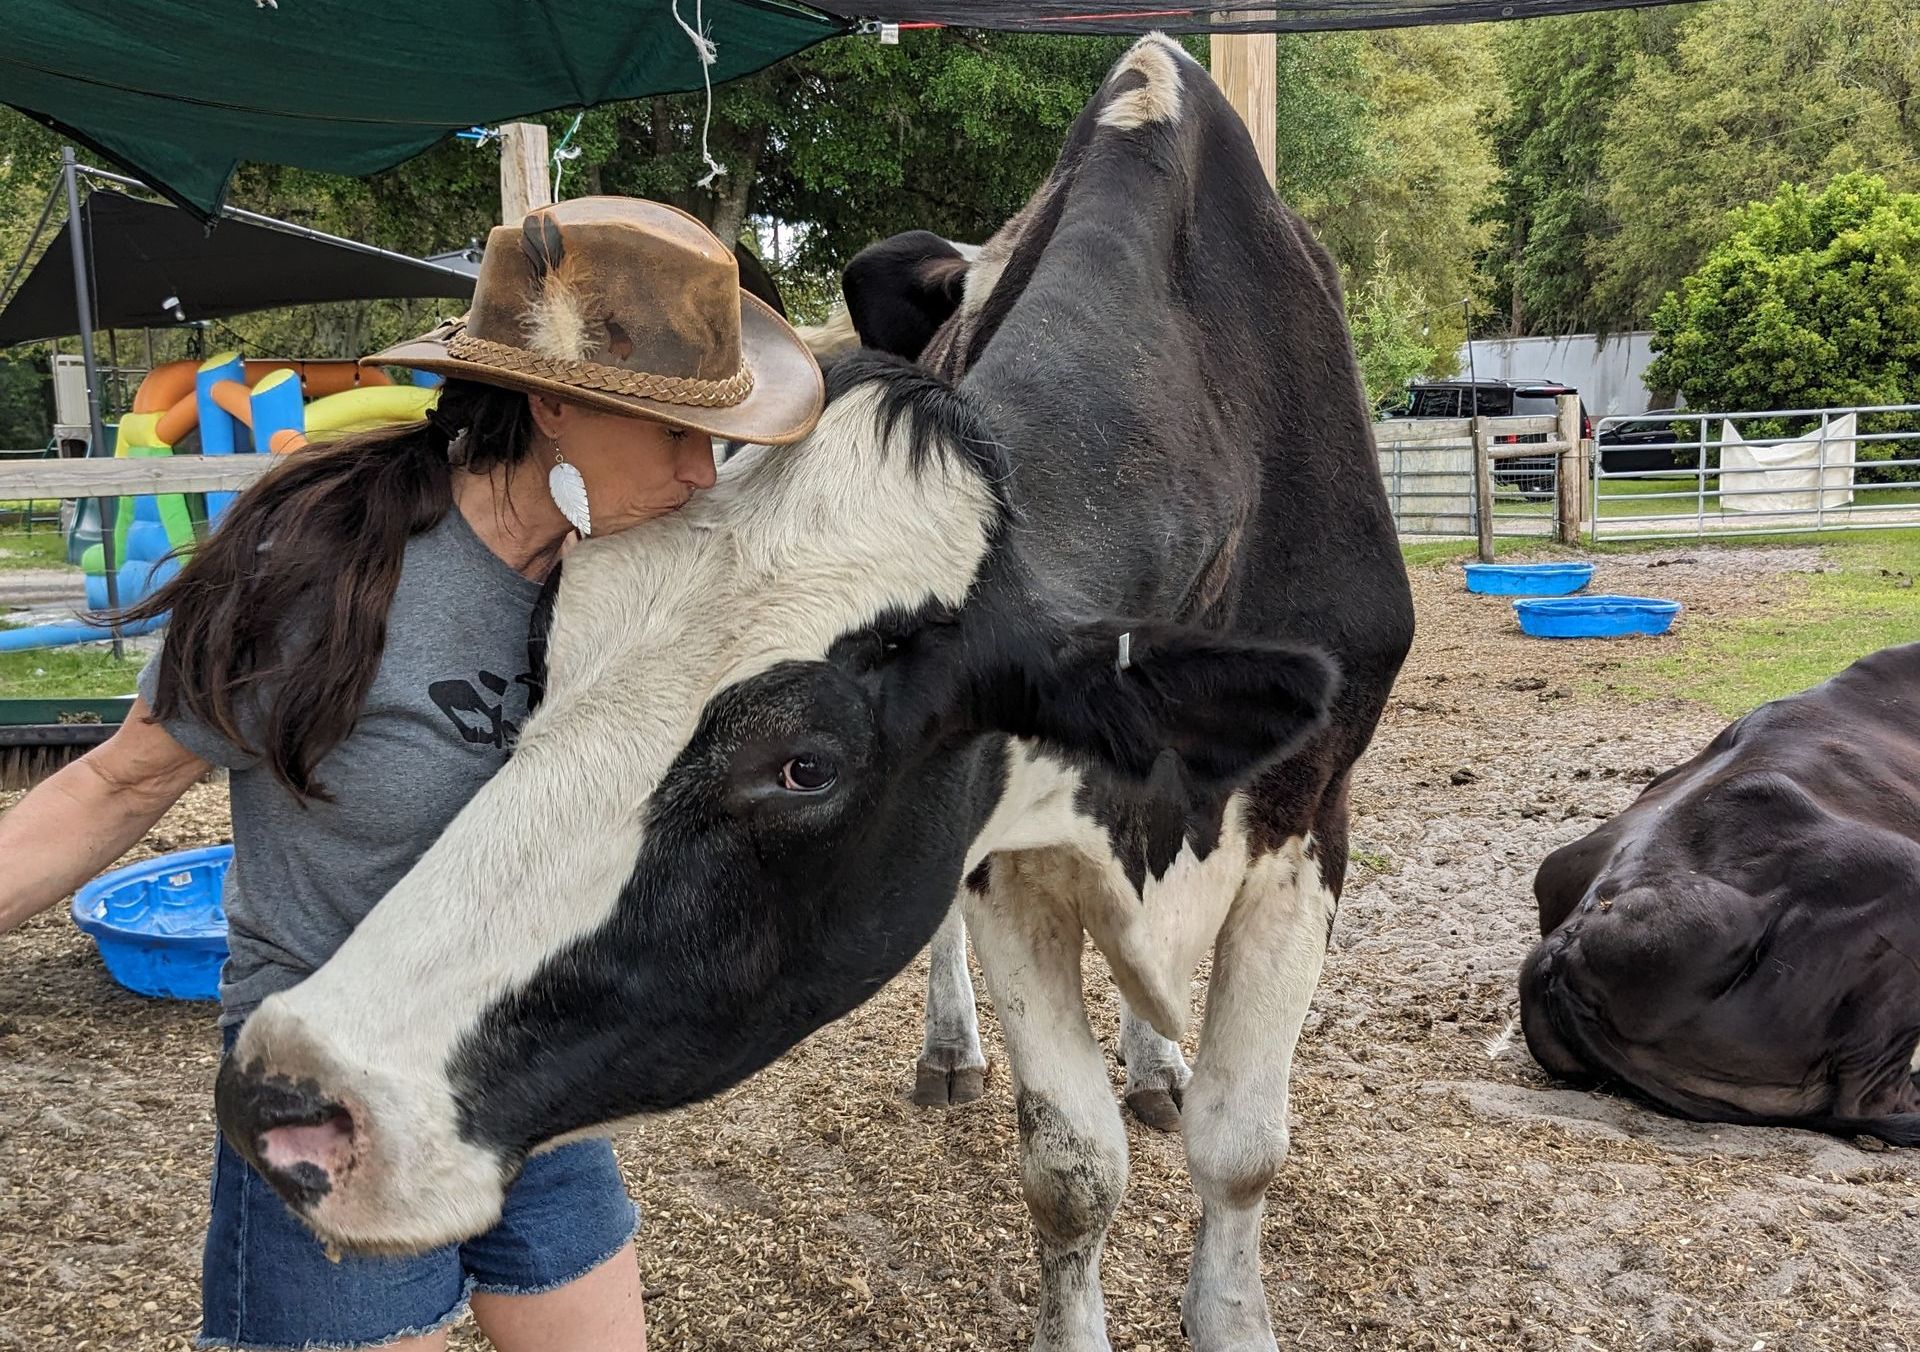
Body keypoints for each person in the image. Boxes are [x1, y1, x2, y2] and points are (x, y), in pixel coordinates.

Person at [0, 197, 823, 1352]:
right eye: (676, 430)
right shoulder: (330, 574)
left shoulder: (638, 582)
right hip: (333, 1080)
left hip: (538, 1065)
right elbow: (114, 787)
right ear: (554, 403)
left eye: (717, 436)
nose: (704, 472)